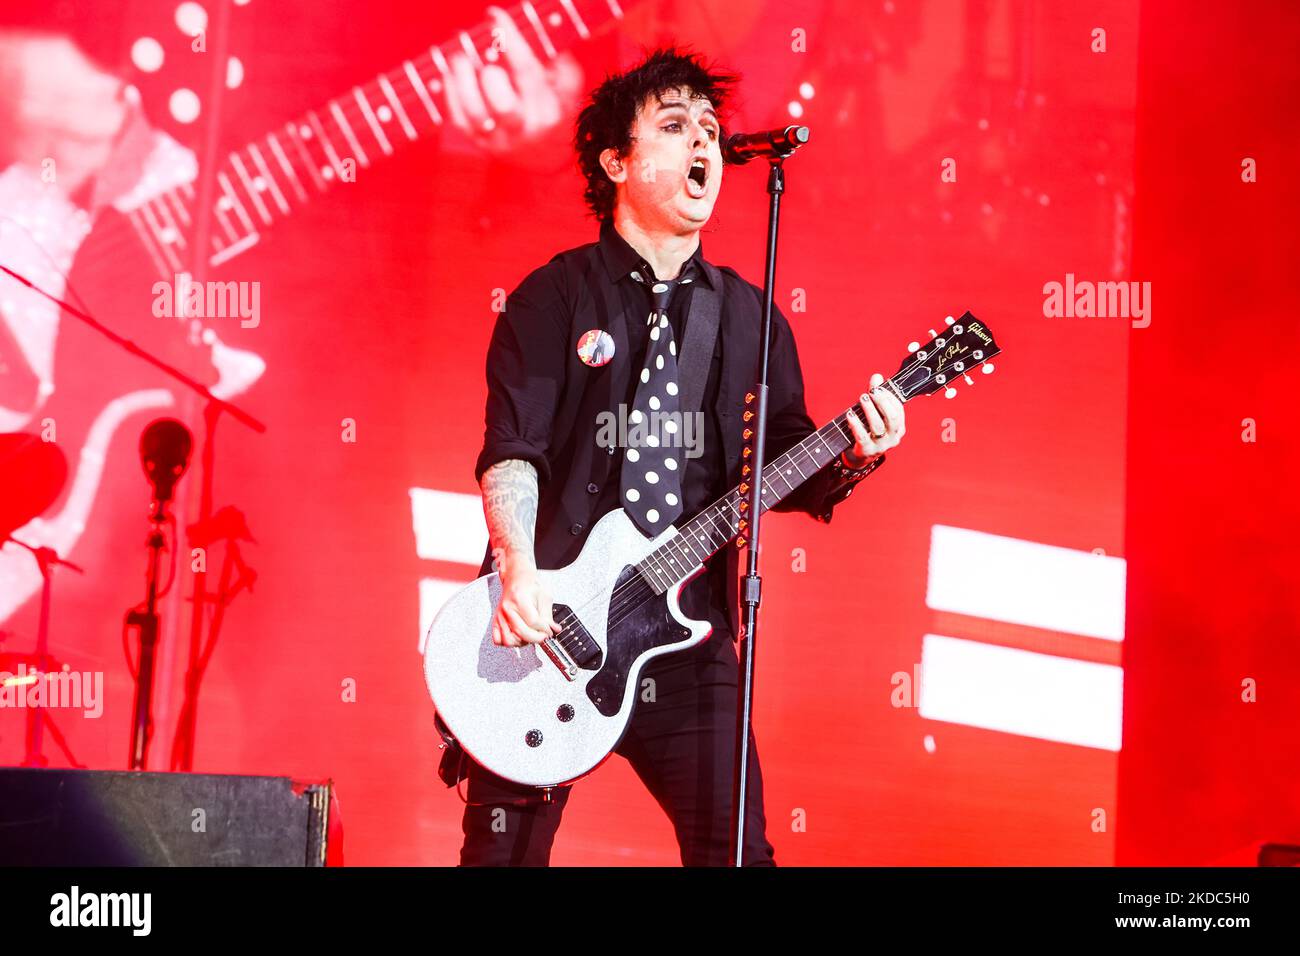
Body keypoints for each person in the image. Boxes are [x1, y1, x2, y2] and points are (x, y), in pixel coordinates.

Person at [451, 48, 906, 866]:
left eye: (708, 128)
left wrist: (858, 450)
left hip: (687, 640)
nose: (703, 143)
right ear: (617, 161)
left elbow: (791, 465)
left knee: (739, 856)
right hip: (547, 626)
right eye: (673, 126)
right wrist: (516, 566)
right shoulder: (554, 296)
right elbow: (510, 448)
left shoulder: (748, 317)